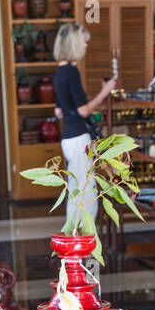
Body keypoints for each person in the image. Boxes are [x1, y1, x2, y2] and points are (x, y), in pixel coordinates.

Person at [53, 22, 117, 226]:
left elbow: (58, 110)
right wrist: (105, 91)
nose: (85, 46)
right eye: (83, 42)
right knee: (86, 192)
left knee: (75, 189)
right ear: (73, 44)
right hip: (79, 137)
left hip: (68, 138)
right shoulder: (72, 72)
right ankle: (83, 242)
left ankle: (73, 240)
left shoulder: (59, 72)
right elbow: (83, 110)